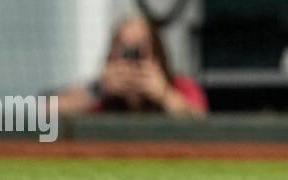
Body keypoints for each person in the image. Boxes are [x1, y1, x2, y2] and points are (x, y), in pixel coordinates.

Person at [56, 14, 208, 116]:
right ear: (112, 55)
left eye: (139, 49)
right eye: (124, 48)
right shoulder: (100, 92)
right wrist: (100, 89)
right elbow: (47, 113)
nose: (131, 60)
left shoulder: (181, 87)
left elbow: (204, 123)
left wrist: (164, 96)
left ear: (156, 55)